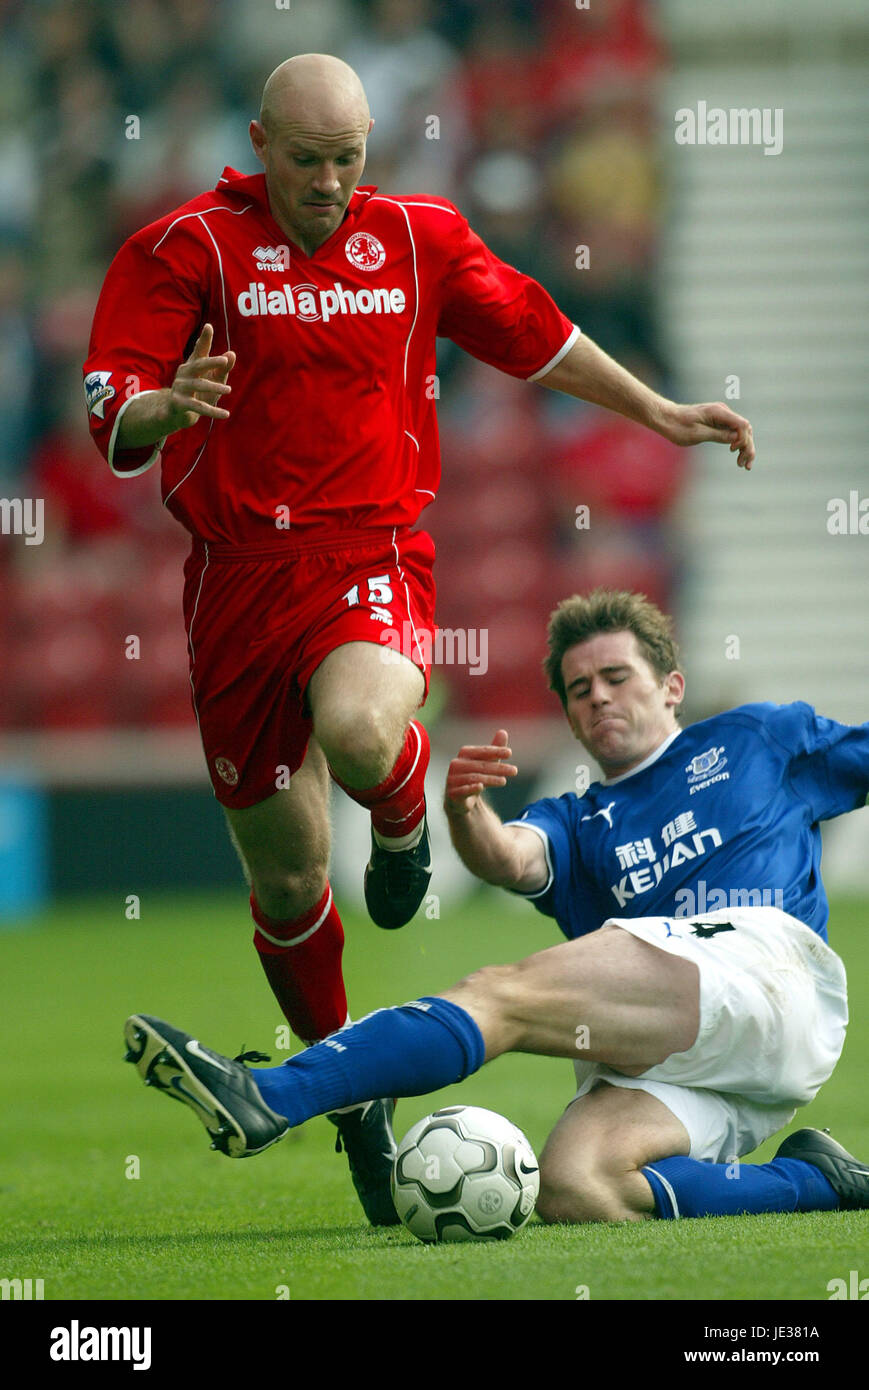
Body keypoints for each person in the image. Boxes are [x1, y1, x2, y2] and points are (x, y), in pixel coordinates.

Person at [86, 52, 755, 1226]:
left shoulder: (414, 238)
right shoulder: (185, 248)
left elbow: (532, 332)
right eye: (307, 161)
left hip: (370, 552)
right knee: (286, 879)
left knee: (356, 728)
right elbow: (111, 398)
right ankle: (353, 1100)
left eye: (348, 159)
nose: (331, 183)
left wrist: (654, 408)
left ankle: (400, 820)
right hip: (235, 579)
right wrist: (161, 403)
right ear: (260, 143)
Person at [124, 588, 869, 1223]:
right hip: (705, 1059)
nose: (598, 696)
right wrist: (464, 814)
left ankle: (273, 1095)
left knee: (500, 996)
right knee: (579, 1184)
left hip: (769, 971)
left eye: (615, 676)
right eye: (578, 690)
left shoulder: (758, 738)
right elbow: (511, 856)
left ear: (670, 685)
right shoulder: (579, 820)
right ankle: (815, 1179)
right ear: (570, 718)